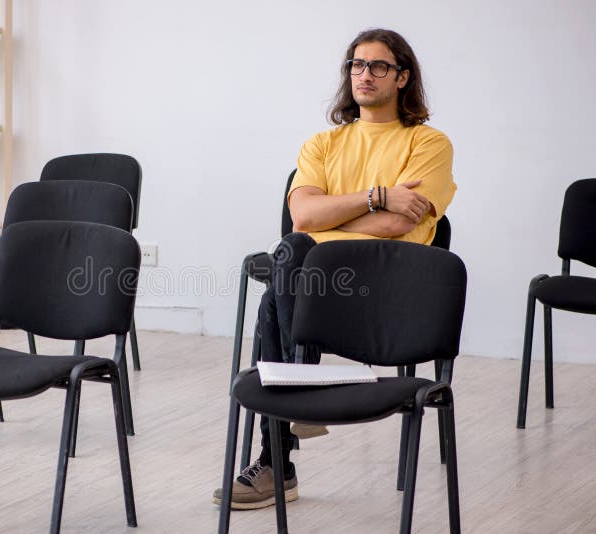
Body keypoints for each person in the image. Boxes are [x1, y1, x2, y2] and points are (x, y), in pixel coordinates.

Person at [213, 28, 457, 510]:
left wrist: (336, 213)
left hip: (387, 287)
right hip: (319, 285)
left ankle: (281, 447)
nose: (365, 75)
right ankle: (287, 433)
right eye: (357, 65)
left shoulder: (428, 143)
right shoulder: (321, 144)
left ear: (403, 77)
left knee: (288, 265)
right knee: (291, 254)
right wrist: (377, 194)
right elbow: (304, 215)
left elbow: (394, 228)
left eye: (379, 66)